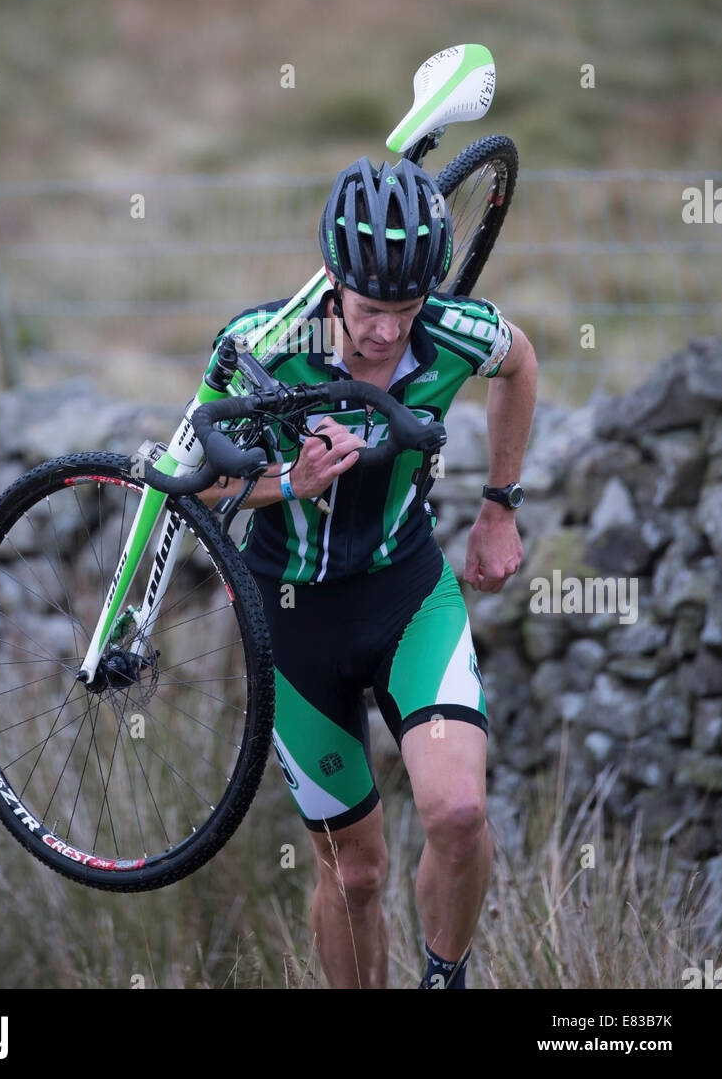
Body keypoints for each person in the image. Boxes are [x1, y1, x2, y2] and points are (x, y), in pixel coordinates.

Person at [202, 156, 537, 989]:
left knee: (458, 814)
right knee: (354, 873)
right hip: (291, 620)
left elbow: (520, 365)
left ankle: (443, 977)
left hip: (407, 597)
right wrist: (288, 484)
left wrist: (499, 504)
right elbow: (192, 484)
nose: (385, 330)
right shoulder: (261, 346)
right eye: (365, 310)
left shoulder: (459, 332)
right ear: (333, 281)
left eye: (403, 309)